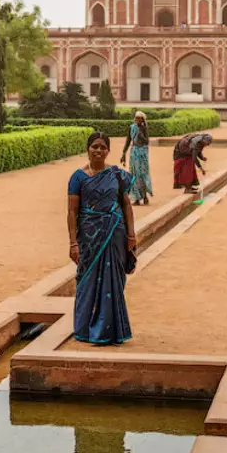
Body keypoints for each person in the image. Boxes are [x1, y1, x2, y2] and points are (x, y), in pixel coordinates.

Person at [68, 131, 137, 345]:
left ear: (108, 150)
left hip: (115, 233)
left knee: (114, 280)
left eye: (102, 147)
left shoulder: (116, 174)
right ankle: (86, 329)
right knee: (86, 279)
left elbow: (126, 205)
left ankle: (112, 329)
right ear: (88, 149)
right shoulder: (78, 177)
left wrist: (131, 235)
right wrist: (73, 243)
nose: (98, 150)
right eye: (94, 146)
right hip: (89, 236)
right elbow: (72, 212)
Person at [119, 111, 153, 206]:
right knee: (134, 174)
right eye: (136, 118)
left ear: (142, 119)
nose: (136, 119)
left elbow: (147, 141)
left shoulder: (144, 128)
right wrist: (123, 153)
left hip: (142, 154)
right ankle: (136, 198)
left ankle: (145, 196)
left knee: (142, 174)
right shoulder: (131, 127)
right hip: (134, 153)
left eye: (138, 118)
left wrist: (141, 135)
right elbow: (128, 141)